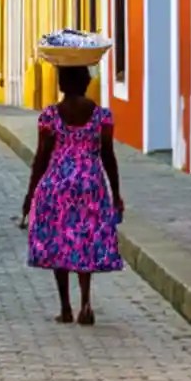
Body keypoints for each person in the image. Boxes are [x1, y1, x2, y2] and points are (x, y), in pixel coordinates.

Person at [22, 65, 124, 325]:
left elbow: (41, 157)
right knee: (85, 243)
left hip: (57, 187)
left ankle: (65, 308)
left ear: (62, 84)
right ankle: (86, 302)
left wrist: (30, 193)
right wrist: (116, 192)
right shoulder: (101, 117)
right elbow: (108, 157)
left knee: (60, 242)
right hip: (90, 185)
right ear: (85, 82)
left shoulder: (50, 116)